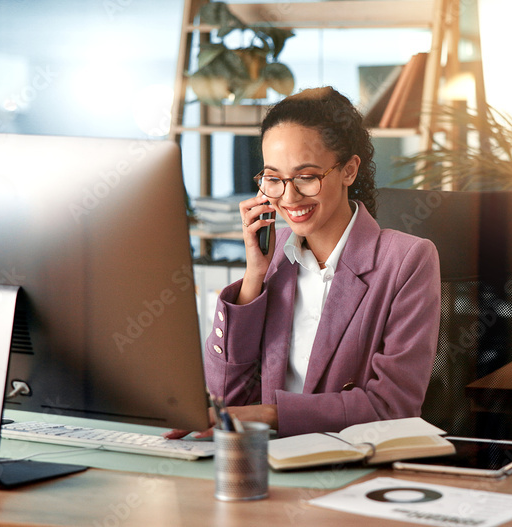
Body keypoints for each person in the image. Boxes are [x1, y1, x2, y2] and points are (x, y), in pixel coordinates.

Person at [170, 87, 441, 439]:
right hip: (266, 457)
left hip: (350, 460)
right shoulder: (273, 257)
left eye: (307, 177)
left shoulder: (407, 261)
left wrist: (271, 414)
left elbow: (393, 407)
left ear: (349, 170)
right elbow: (226, 395)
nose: (289, 196)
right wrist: (254, 276)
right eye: (273, 179)